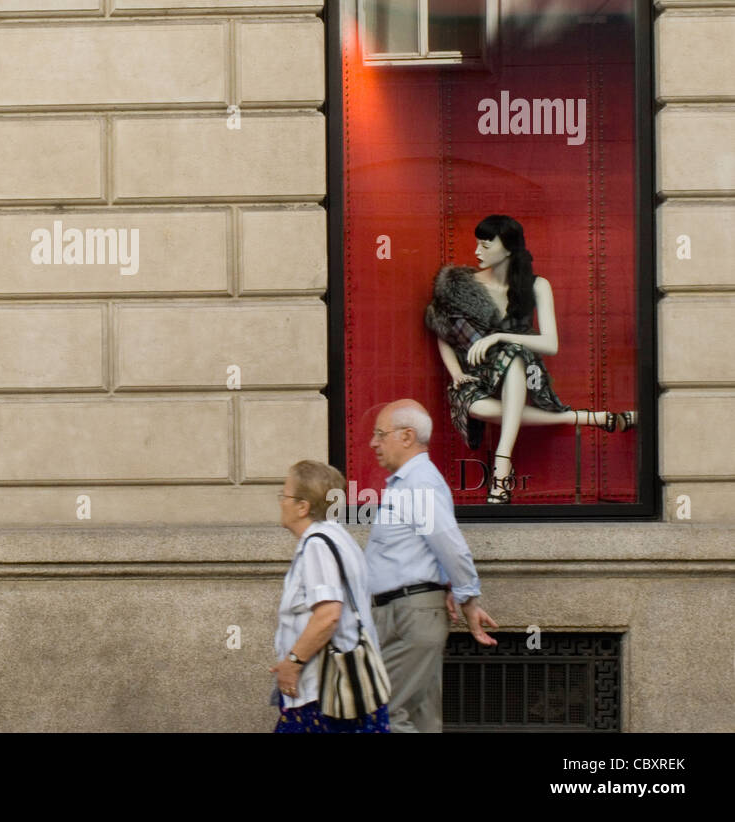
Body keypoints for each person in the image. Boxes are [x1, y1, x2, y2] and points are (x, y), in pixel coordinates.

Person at [425, 214, 635, 503]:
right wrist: (455, 374)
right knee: (482, 410)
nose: (477, 252)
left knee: (514, 357)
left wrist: (499, 337)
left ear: (509, 248)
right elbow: (442, 332)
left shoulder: (537, 286)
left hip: (521, 370)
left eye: (486, 245)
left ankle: (502, 464)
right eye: (477, 244)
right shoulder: (460, 287)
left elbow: (550, 344)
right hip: (475, 375)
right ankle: (592, 418)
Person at [365, 399, 498, 733]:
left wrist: (467, 595)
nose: (373, 443)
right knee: (420, 717)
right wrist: (449, 586)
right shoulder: (409, 483)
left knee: (382, 710)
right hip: (405, 612)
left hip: (410, 614)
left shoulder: (419, 483)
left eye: (380, 434)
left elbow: (449, 545)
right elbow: (428, 546)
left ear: (407, 436)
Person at [270, 458, 390, 733]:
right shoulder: (339, 538)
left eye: (284, 495)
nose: (281, 502)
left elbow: (328, 615)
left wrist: (292, 662)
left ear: (303, 506)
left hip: (324, 693)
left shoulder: (317, 545)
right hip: (338, 689)